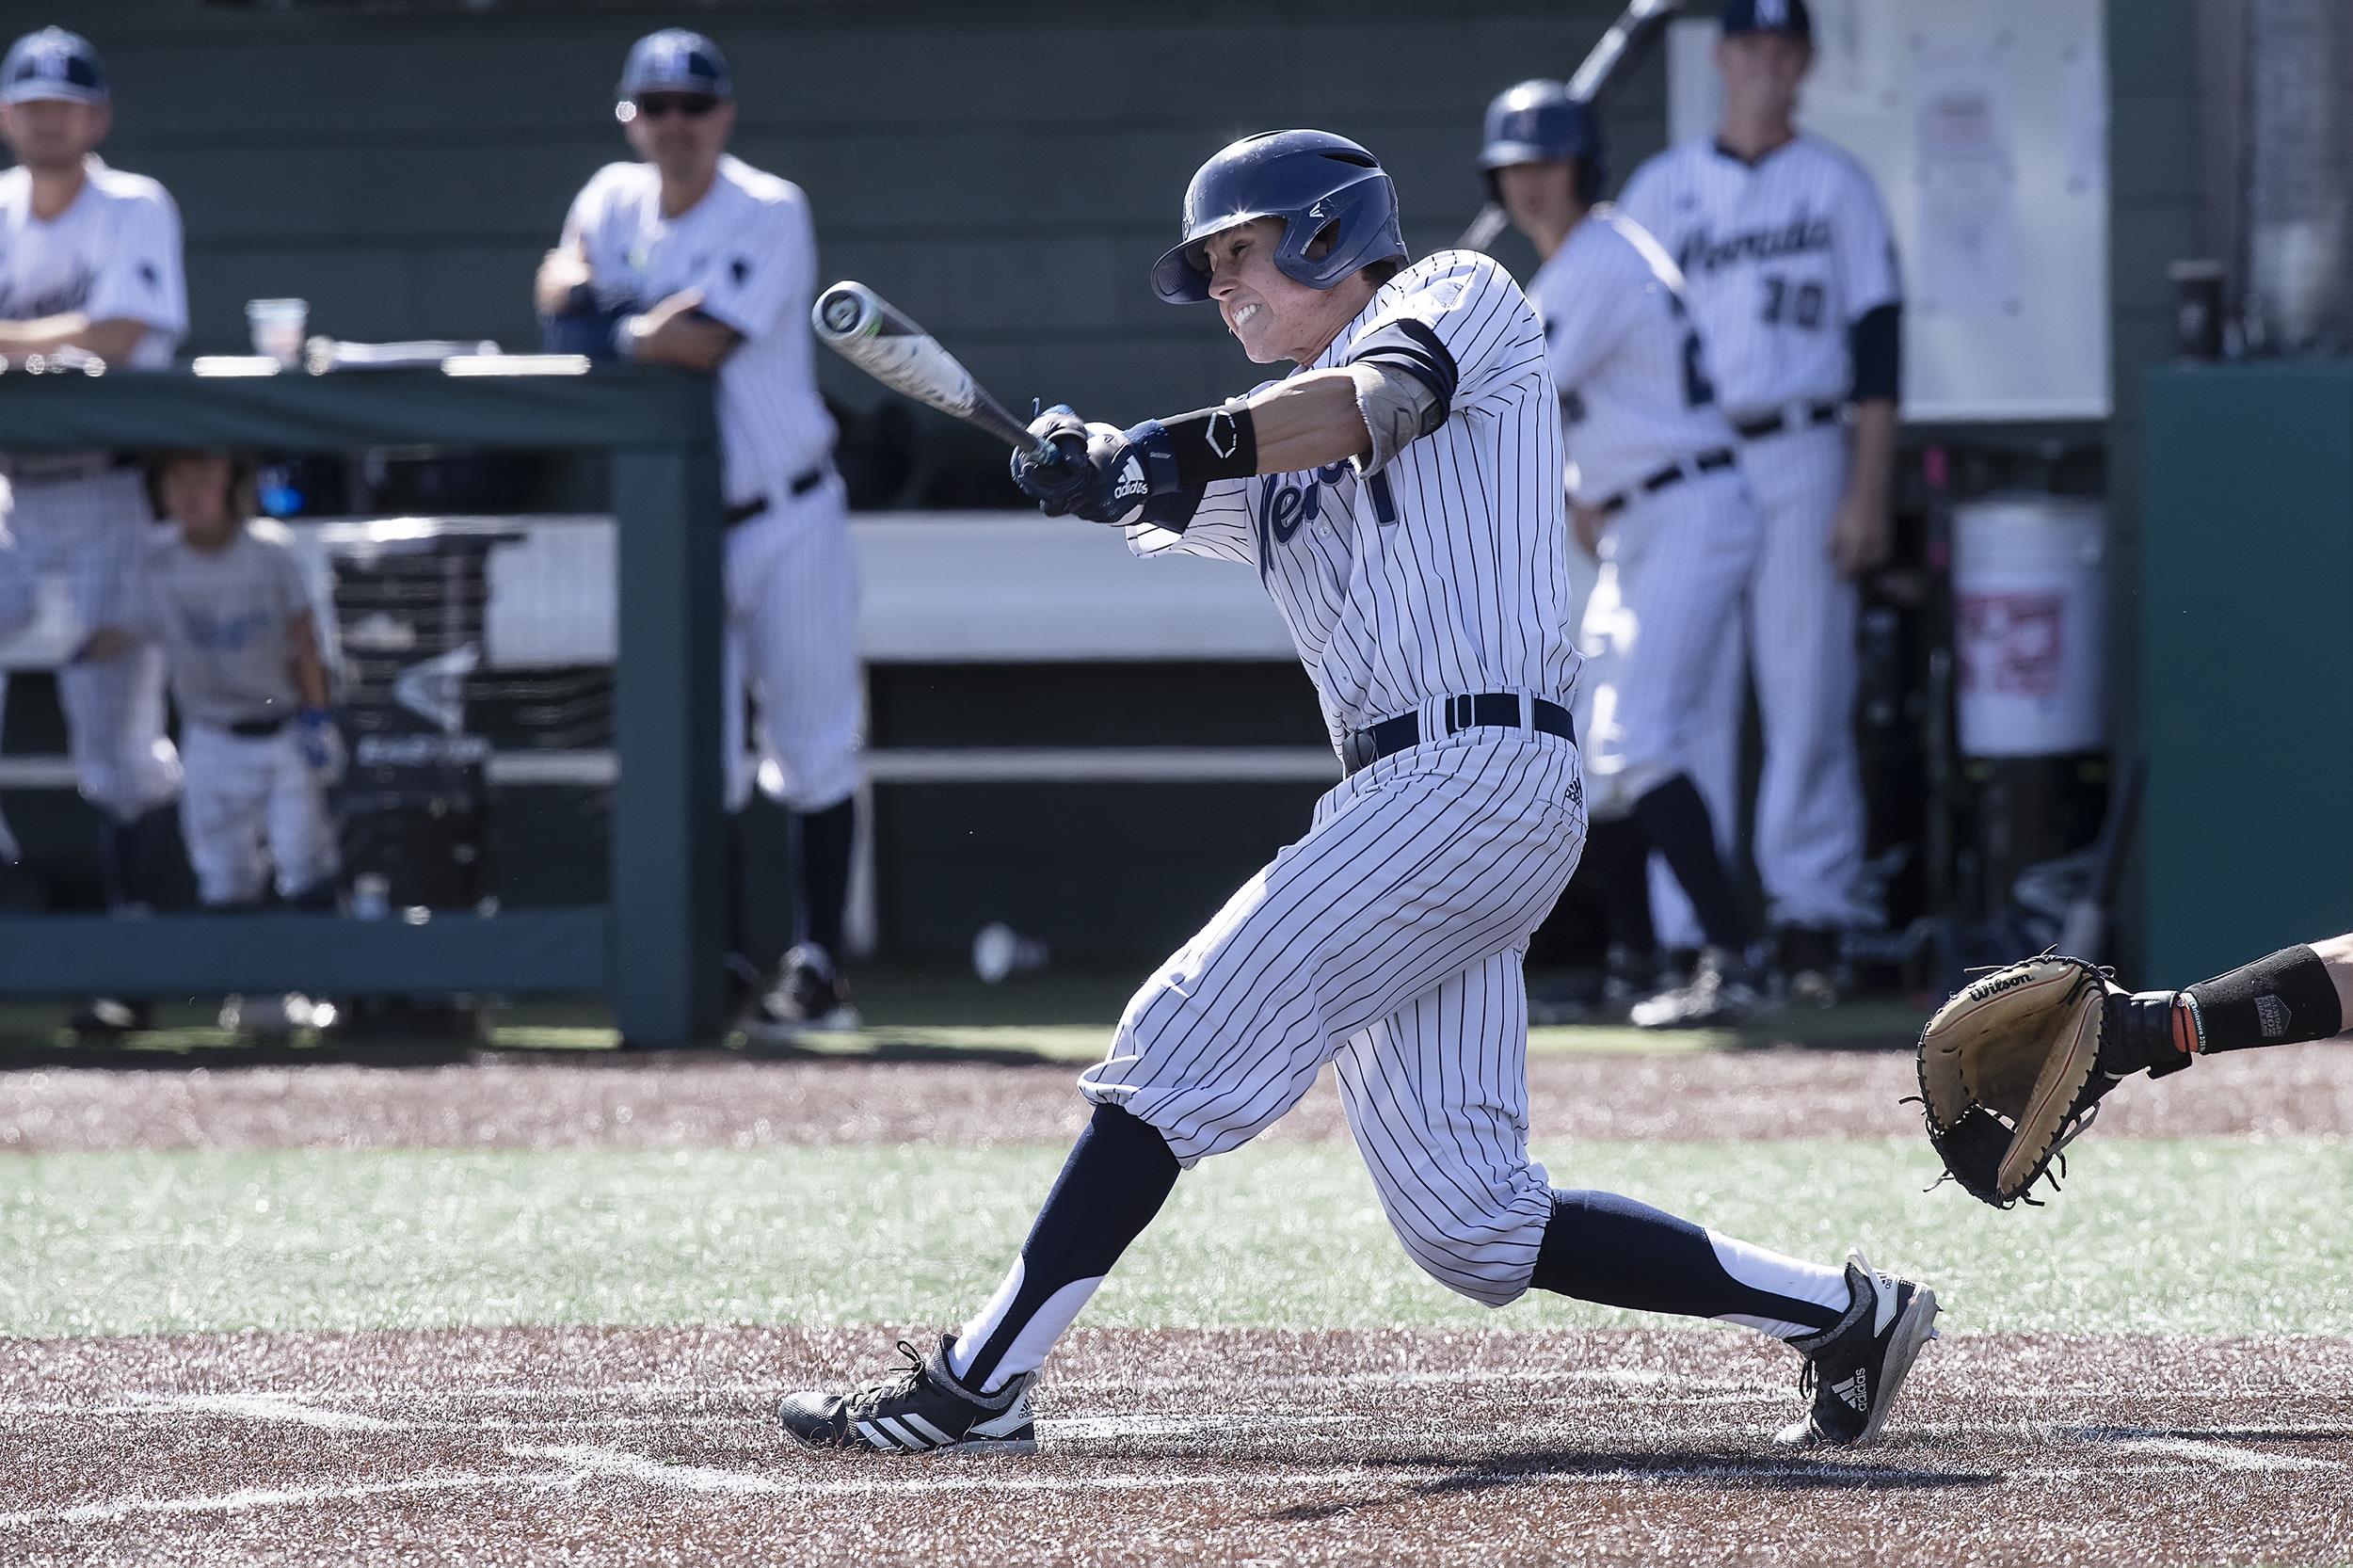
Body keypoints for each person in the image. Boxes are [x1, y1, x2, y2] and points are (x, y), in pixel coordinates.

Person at [776, 130, 1937, 1457]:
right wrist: (1088, 463)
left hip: (1478, 771)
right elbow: (1179, 481)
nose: (1223, 291)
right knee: (1474, 1221)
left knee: (1177, 1034)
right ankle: (1843, 1315)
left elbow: (1363, 405)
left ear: (1326, 235)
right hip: (1420, 805)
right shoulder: (1273, 434)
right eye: (1208, 272)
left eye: (1238, 257)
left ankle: (980, 1381)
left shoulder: (1454, 297)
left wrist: (1165, 442)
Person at [538, 29, 862, 1038]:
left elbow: (705, 343)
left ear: (722, 116)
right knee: (702, 752)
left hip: (788, 506)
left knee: (813, 740)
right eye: (655, 104)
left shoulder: (768, 207)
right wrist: (635, 326)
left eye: (693, 104)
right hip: (680, 526)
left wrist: (614, 323)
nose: (674, 123)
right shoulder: (608, 197)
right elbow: (555, 304)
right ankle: (720, 957)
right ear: (630, 115)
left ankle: (817, 962)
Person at [1616, 0, 1902, 1008]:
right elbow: (1610, 348)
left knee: (1806, 690)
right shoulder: (1661, 190)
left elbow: (1877, 348)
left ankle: (1809, 921)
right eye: (1749, 46)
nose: (1765, 64)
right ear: (1722, 57)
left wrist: (1868, 484)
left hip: (1801, 446)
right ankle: (1698, 935)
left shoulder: (1837, 186)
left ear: (1805, 63)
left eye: (1784, 48)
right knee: (1683, 705)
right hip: (1690, 459)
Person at [1481, 81, 1766, 1026]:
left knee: (1637, 742)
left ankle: (1738, 957)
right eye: (1515, 168)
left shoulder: (1595, 259)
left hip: (1686, 503)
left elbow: (1512, 393)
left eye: (1547, 164)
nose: (1530, 185)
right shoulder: (1581, 262)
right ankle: (1632, 963)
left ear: (1582, 169)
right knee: (1597, 760)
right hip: (1645, 510)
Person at [0, 26, 189, 1032]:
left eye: (64, 103)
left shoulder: (132, 205)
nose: (47, 118)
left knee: (117, 743)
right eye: (31, 102)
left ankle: (135, 954)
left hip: (113, 493)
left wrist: (13, 344)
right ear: (6, 115)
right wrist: (50, 348)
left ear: (97, 117)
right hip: (12, 493)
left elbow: (122, 337)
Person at [80, 453, 340, 1036]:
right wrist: (73, 650)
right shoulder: (158, 562)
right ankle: (246, 994)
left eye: (204, 479)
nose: (191, 494)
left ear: (231, 485)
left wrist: (319, 717)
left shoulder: (270, 552)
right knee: (225, 875)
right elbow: (122, 632)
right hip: (211, 736)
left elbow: (305, 640)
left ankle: (329, 993)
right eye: (177, 482)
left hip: (282, 731)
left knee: (306, 862)